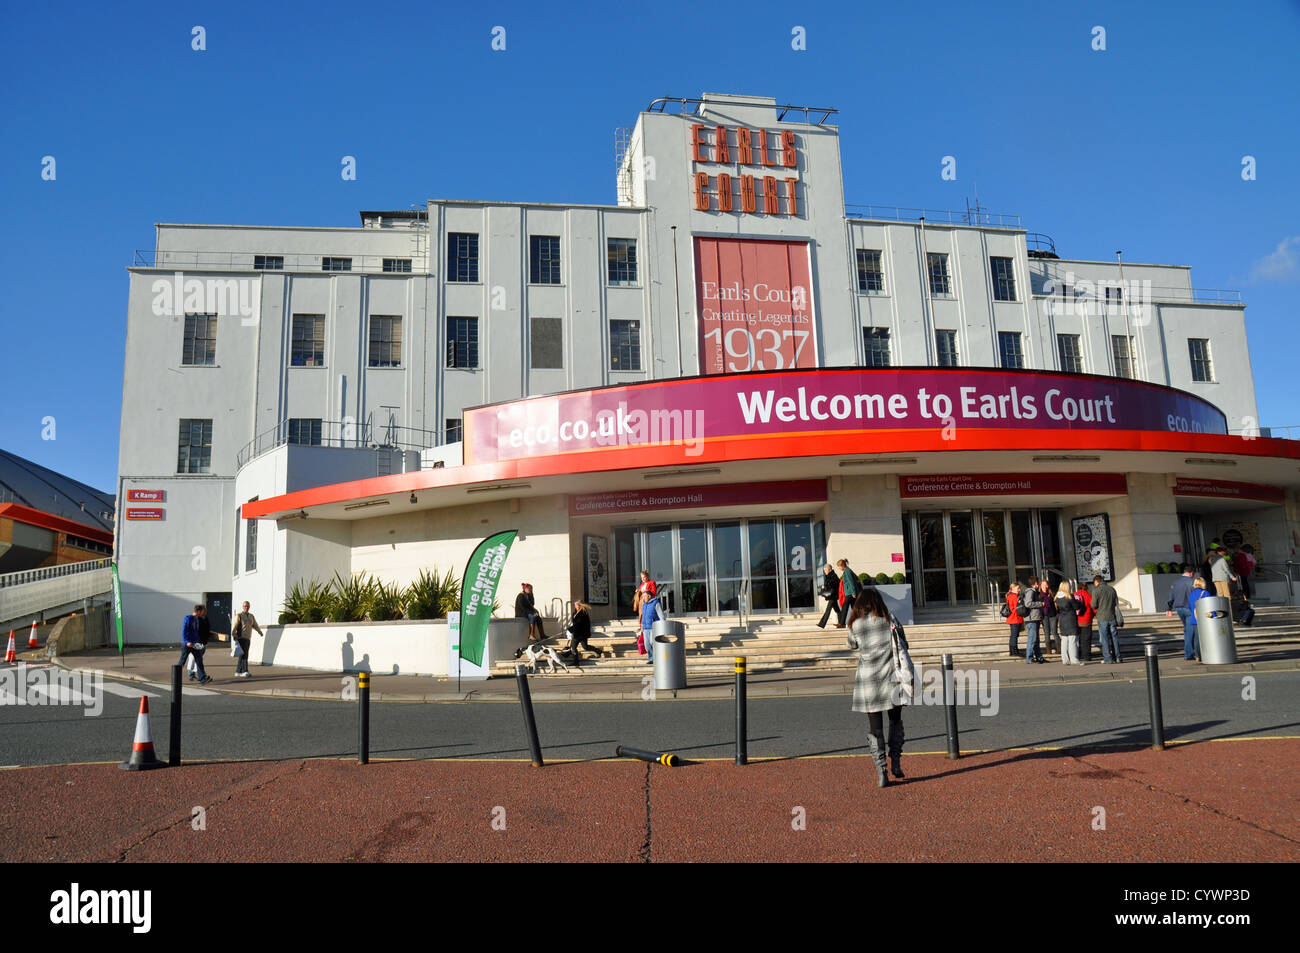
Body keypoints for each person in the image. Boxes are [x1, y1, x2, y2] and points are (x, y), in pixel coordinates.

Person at [847, 588, 907, 788]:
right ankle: (896, 764)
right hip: (892, 678)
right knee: (895, 721)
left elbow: (852, 645)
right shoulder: (890, 619)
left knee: (875, 728)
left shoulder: (855, 624)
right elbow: (904, 644)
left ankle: (881, 772)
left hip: (869, 681)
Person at [1165, 565, 1197, 661]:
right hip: (1189, 608)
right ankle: (1190, 653)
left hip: (1179, 608)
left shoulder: (1175, 582)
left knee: (1187, 630)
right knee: (1191, 631)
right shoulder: (1192, 582)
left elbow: (1171, 596)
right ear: (1191, 573)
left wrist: (1168, 608)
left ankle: (1190, 652)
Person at [1091, 574, 1122, 664]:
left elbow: (1093, 605)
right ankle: (1118, 657)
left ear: (1097, 582)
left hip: (1102, 617)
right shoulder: (1112, 589)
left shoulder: (1096, 590)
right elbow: (1116, 603)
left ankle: (1108, 658)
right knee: (1114, 637)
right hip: (1112, 616)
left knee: (1104, 638)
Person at [179, 604, 212, 684]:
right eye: (202, 611)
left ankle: (202, 678)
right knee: (182, 661)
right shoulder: (188, 618)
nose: (203, 613)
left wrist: (198, 642)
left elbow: (196, 633)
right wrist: (187, 642)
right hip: (187, 645)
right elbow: (184, 631)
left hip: (194, 644)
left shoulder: (197, 619)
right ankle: (176, 677)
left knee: (199, 660)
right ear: (198, 611)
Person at [230, 600, 263, 678]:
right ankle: (245, 671)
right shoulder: (239, 615)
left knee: (243, 655)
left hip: (248, 638)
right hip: (241, 637)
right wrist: (233, 635)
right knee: (244, 654)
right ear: (242, 607)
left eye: (247, 606)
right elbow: (234, 626)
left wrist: (259, 632)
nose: (246, 607)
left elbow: (255, 625)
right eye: (245, 606)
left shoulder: (251, 616)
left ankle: (238, 671)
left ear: (249, 607)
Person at [1055, 581, 1084, 665]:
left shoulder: (1057, 597)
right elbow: (1076, 606)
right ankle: (1074, 660)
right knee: (1072, 640)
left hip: (1062, 619)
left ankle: (1065, 660)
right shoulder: (1069, 596)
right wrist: (1079, 602)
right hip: (1070, 619)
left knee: (1064, 640)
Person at [1019, 576, 1045, 664]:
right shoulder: (1030, 591)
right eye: (1038, 582)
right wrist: (1040, 603)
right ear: (1036, 583)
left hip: (1034, 618)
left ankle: (1039, 657)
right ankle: (1029, 658)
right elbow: (1028, 603)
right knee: (1032, 639)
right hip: (1031, 619)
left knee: (1036, 639)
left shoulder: (1033, 592)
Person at [1186, 577, 1211, 661]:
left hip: (1194, 618)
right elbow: (1209, 606)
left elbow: (1190, 607)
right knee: (1206, 637)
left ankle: (1197, 655)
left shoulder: (1191, 594)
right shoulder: (1205, 593)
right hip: (1204, 618)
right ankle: (1206, 654)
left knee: (1197, 638)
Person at [835, 559, 860, 628]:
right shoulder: (847, 571)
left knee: (845, 607)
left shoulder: (847, 571)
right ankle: (858, 622)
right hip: (849, 593)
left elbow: (851, 582)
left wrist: (853, 592)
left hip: (850, 593)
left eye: (839, 566)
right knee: (854, 608)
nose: (839, 568)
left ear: (842, 566)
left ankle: (842, 623)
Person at [639, 593, 664, 663]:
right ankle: (651, 658)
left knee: (652, 642)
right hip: (645, 628)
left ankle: (656, 658)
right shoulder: (644, 605)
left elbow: (661, 615)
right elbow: (643, 616)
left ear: (649, 596)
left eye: (644, 596)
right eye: (642, 596)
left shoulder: (656, 603)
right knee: (647, 645)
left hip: (654, 627)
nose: (643, 598)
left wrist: (662, 625)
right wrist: (642, 626)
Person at [1076, 581, 1095, 662]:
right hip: (1087, 620)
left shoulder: (1074, 594)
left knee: (1078, 638)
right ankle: (1086, 656)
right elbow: (1094, 608)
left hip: (1076, 620)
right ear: (1086, 587)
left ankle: (1078, 654)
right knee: (1086, 639)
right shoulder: (1089, 596)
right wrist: (1091, 617)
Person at [1038, 577, 1058, 654]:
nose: (1044, 586)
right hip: (1044, 616)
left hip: (1052, 615)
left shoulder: (1052, 594)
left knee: (1054, 632)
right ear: (1040, 586)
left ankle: (1059, 649)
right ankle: (1048, 650)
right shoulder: (1039, 595)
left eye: (1046, 585)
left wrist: (1057, 614)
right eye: (1043, 585)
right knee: (1047, 633)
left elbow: (1055, 604)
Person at [816, 563, 838, 629]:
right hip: (832, 595)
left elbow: (833, 585)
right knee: (837, 610)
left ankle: (822, 624)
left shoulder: (833, 576)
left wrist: (825, 586)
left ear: (829, 570)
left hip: (833, 595)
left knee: (828, 610)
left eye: (825, 570)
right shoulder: (830, 575)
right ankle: (842, 622)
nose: (825, 572)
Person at [1004, 582, 1023, 658]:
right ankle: (1013, 651)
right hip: (1014, 618)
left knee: (1014, 635)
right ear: (1013, 589)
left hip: (1015, 618)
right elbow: (1015, 608)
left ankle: (1014, 650)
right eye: (1018, 588)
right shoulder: (1013, 596)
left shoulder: (1012, 596)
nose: (1019, 590)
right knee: (1014, 635)